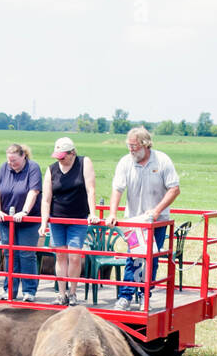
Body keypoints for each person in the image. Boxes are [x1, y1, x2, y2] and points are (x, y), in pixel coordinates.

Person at [108, 126, 181, 311]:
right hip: (134, 222)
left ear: (145, 144)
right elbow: (118, 188)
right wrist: (112, 213)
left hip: (156, 222)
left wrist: (157, 211)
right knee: (133, 257)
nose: (131, 149)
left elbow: (174, 189)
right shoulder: (125, 162)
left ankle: (144, 294)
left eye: (134, 146)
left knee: (151, 259)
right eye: (129, 146)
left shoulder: (162, 160)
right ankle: (125, 296)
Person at [39, 136, 98, 306]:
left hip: (78, 219)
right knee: (60, 255)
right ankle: (61, 293)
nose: (60, 160)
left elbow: (90, 189)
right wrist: (44, 223)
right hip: (57, 219)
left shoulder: (83, 163)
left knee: (74, 256)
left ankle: (73, 293)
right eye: (58, 157)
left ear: (72, 153)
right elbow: (46, 199)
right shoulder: (51, 170)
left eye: (63, 156)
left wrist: (93, 213)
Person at [0, 143, 43, 301]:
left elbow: (34, 191)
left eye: (15, 161)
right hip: (6, 220)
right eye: (9, 161)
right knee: (9, 253)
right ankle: (10, 290)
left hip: (28, 221)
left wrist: (25, 211)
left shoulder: (33, 168)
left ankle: (29, 291)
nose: (11, 164)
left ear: (23, 156)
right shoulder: (4, 168)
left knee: (26, 254)